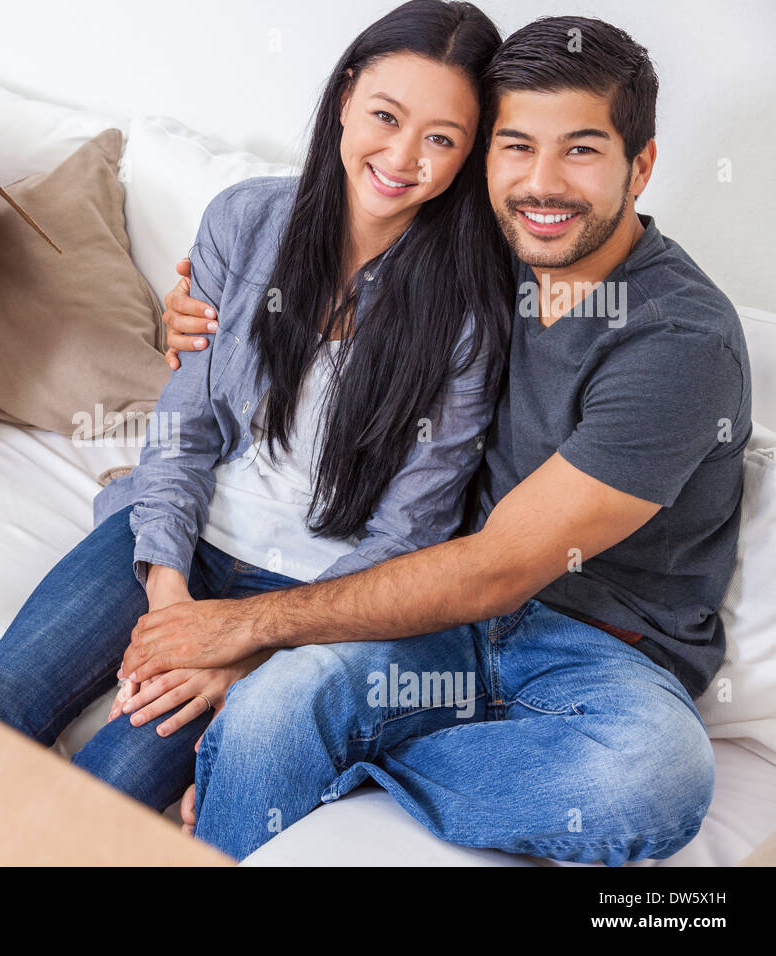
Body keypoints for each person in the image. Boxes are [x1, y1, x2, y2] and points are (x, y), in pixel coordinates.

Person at [131, 14, 752, 864]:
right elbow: (308, 272)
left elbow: (502, 567)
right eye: (514, 146)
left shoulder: (678, 341)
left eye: (580, 150)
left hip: (598, 654)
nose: (542, 184)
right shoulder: (485, 255)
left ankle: (352, 762)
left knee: (652, 777)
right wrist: (198, 313)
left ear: (639, 166)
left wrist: (248, 629)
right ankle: (288, 764)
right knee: (278, 710)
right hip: (434, 620)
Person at [0, 0, 514, 817]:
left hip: (314, 589)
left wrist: (247, 651)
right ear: (345, 96)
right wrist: (171, 602)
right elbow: (183, 432)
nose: (402, 157)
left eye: (441, 138)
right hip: (182, 537)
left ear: (469, 155)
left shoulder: (470, 309)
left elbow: (410, 534)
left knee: (102, 795)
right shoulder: (248, 220)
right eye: (385, 116)